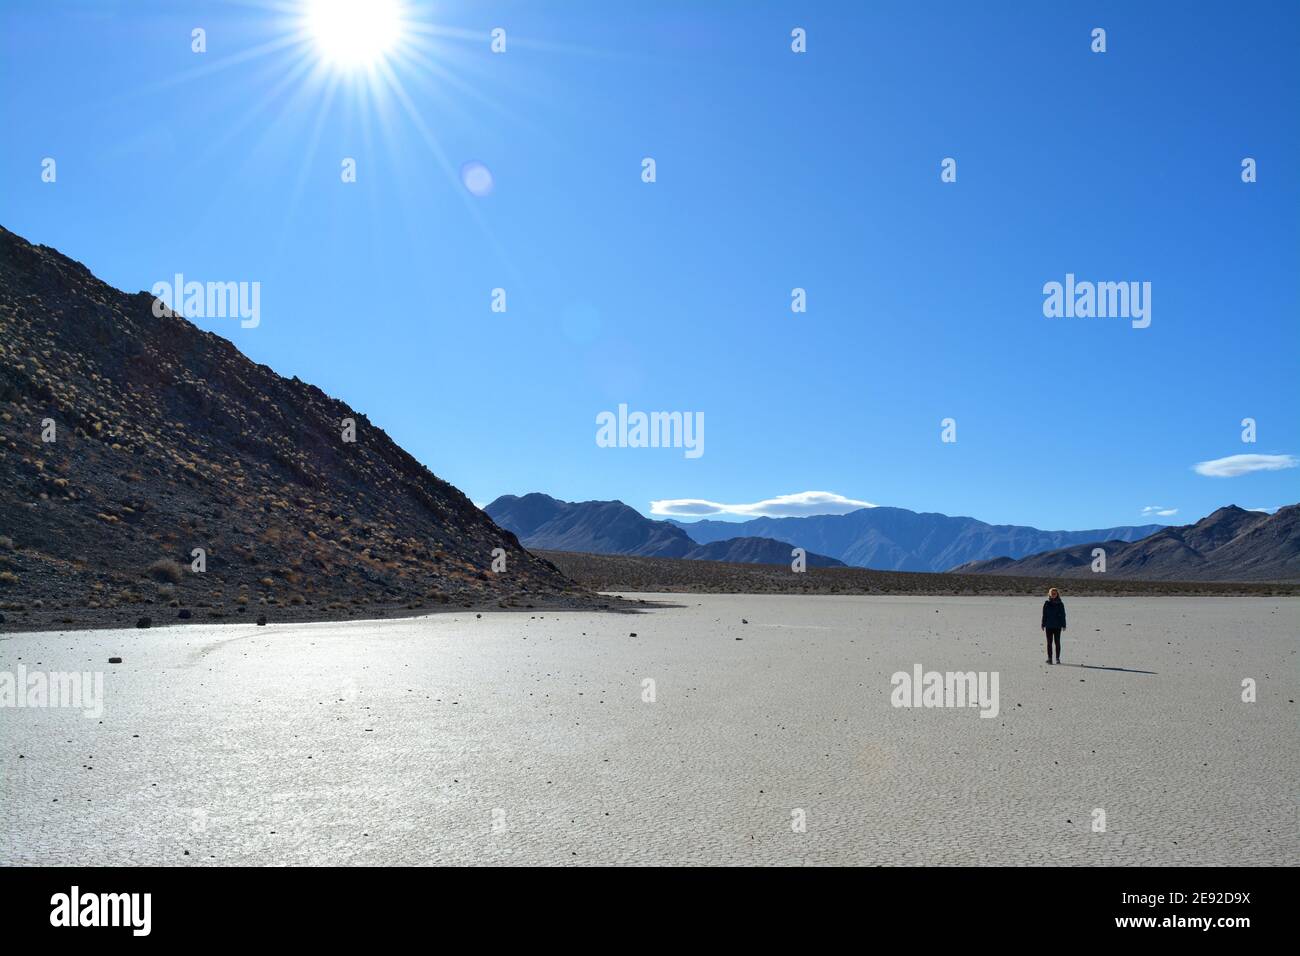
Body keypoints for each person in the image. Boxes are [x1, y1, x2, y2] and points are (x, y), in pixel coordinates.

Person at [1041, 587, 1066, 664]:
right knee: (1049, 643)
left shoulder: (1060, 604)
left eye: (1055, 593)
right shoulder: (1046, 603)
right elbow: (1044, 615)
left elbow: (1063, 615)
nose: (1053, 595)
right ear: (1049, 594)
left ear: (1057, 594)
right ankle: (1050, 658)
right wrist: (1043, 624)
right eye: (1052, 593)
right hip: (1048, 626)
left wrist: (1064, 625)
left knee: (1057, 642)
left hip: (1057, 626)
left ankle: (1057, 658)